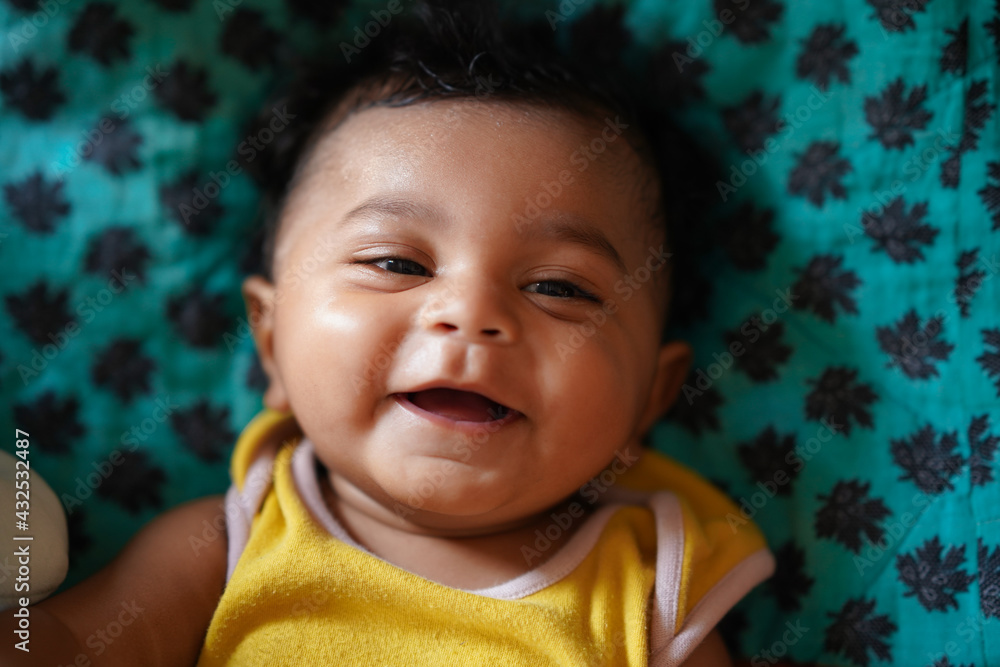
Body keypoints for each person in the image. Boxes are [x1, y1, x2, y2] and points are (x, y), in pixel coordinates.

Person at [6, 3, 772, 664]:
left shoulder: (650, 595)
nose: (469, 313)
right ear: (271, 343)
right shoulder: (229, 542)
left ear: (651, 397)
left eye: (559, 287)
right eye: (397, 263)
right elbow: (61, 644)